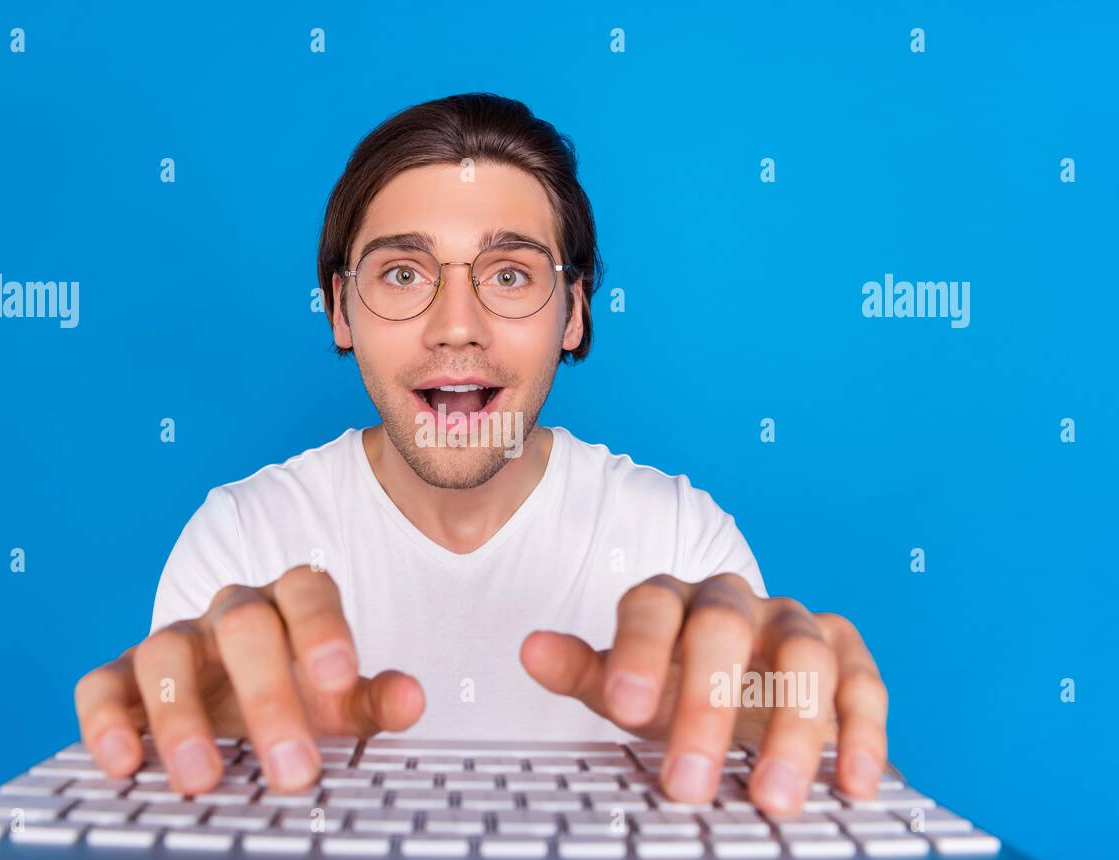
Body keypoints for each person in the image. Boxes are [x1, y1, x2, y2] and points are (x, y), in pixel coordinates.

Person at [73, 92, 888, 818]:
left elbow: (756, 764)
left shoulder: (680, 537)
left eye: (507, 274)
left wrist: (792, 751)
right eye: (401, 273)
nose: (455, 324)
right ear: (338, 311)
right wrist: (186, 782)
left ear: (572, 313)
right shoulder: (238, 542)